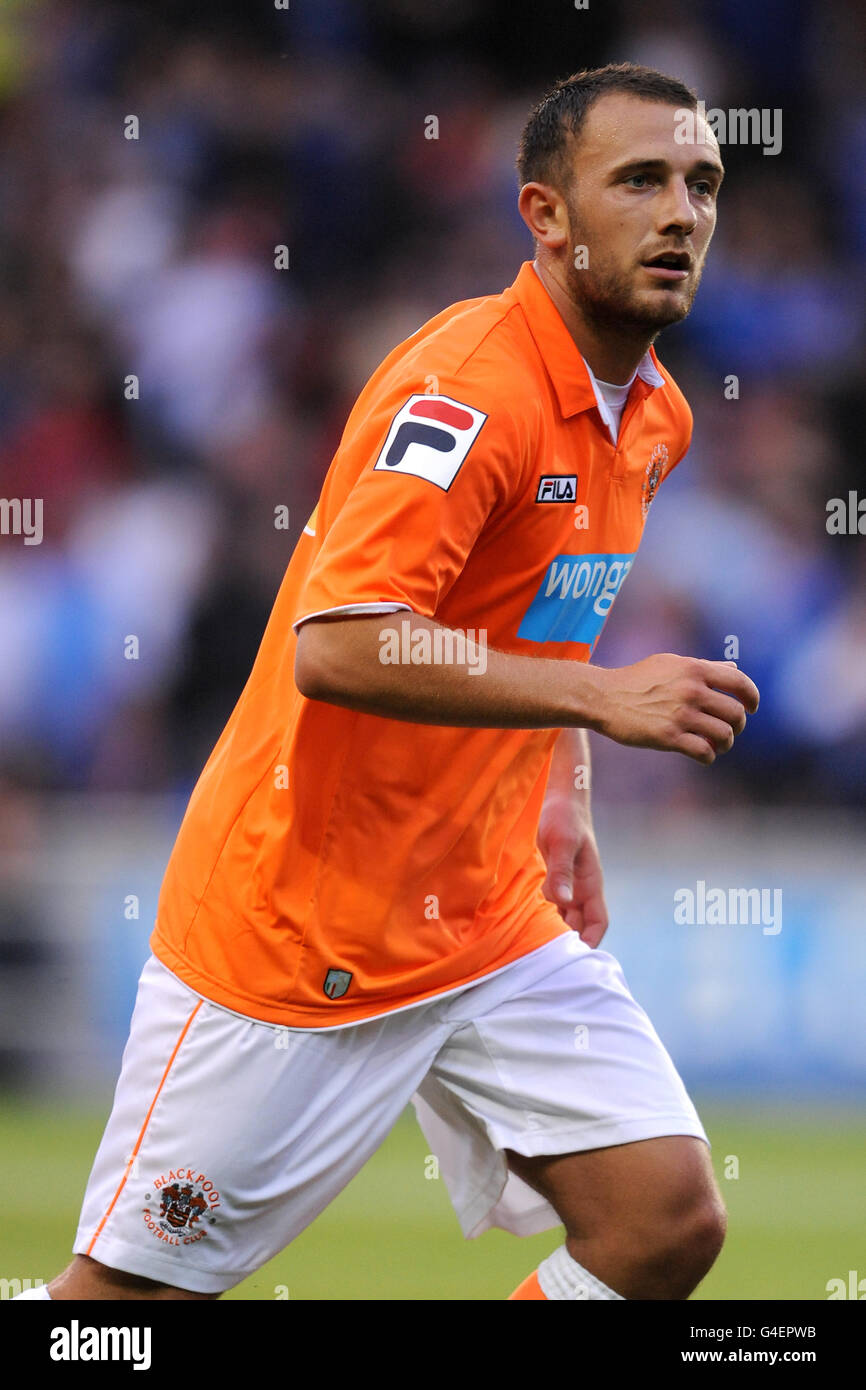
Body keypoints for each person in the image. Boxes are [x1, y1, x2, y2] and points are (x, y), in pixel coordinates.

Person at [20, 62, 758, 1303]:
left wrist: (558, 791)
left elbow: (538, 612)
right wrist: (598, 704)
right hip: (303, 929)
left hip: (485, 910)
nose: (679, 212)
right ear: (545, 214)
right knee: (122, 1314)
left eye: (701, 183)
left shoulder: (653, 416)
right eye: (636, 180)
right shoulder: (468, 388)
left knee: (662, 1222)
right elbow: (342, 641)